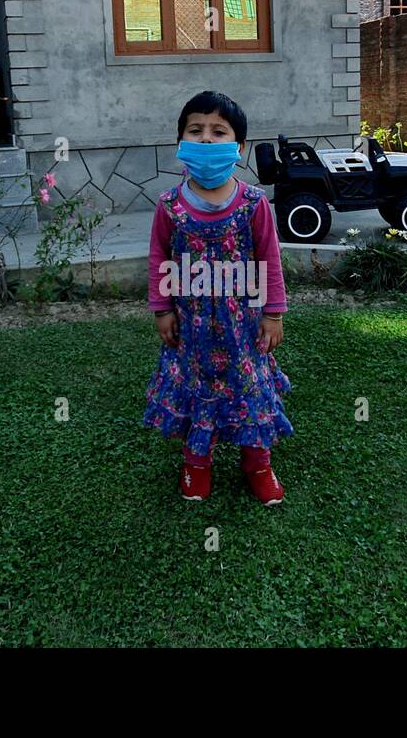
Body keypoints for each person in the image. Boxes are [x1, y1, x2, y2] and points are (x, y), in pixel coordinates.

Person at [141, 91, 294, 505]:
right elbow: (159, 256)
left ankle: (257, 462)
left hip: (244, 331)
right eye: (196, 130)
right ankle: (196, 462)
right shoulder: (170, 206)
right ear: (182, 143)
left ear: (238, 147)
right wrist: (162, 308)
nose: (206, 139)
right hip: (190, 332)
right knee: (198, 393)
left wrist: (274, 314)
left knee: (249, 391)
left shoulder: (253, 204)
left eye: (218, 132)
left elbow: (270, 259)